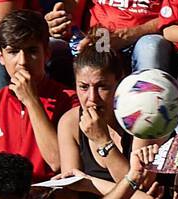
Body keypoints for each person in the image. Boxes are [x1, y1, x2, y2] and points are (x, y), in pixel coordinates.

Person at [0, 11, 78, 198]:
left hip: (51, 198)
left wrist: (31, 101)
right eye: (13, 52)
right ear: (0, 57)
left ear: (47, 53)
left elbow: (58, 162)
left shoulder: (70, 101)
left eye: (32, 51)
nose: (23, 62)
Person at [57, 46, 133, 189]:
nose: (92, 98)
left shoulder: (139, 118)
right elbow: (72, 186)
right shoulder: (70, 122)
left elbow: (134, 188)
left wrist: (102, 140)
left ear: (119, 83)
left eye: (102, 86)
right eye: (84, 87)